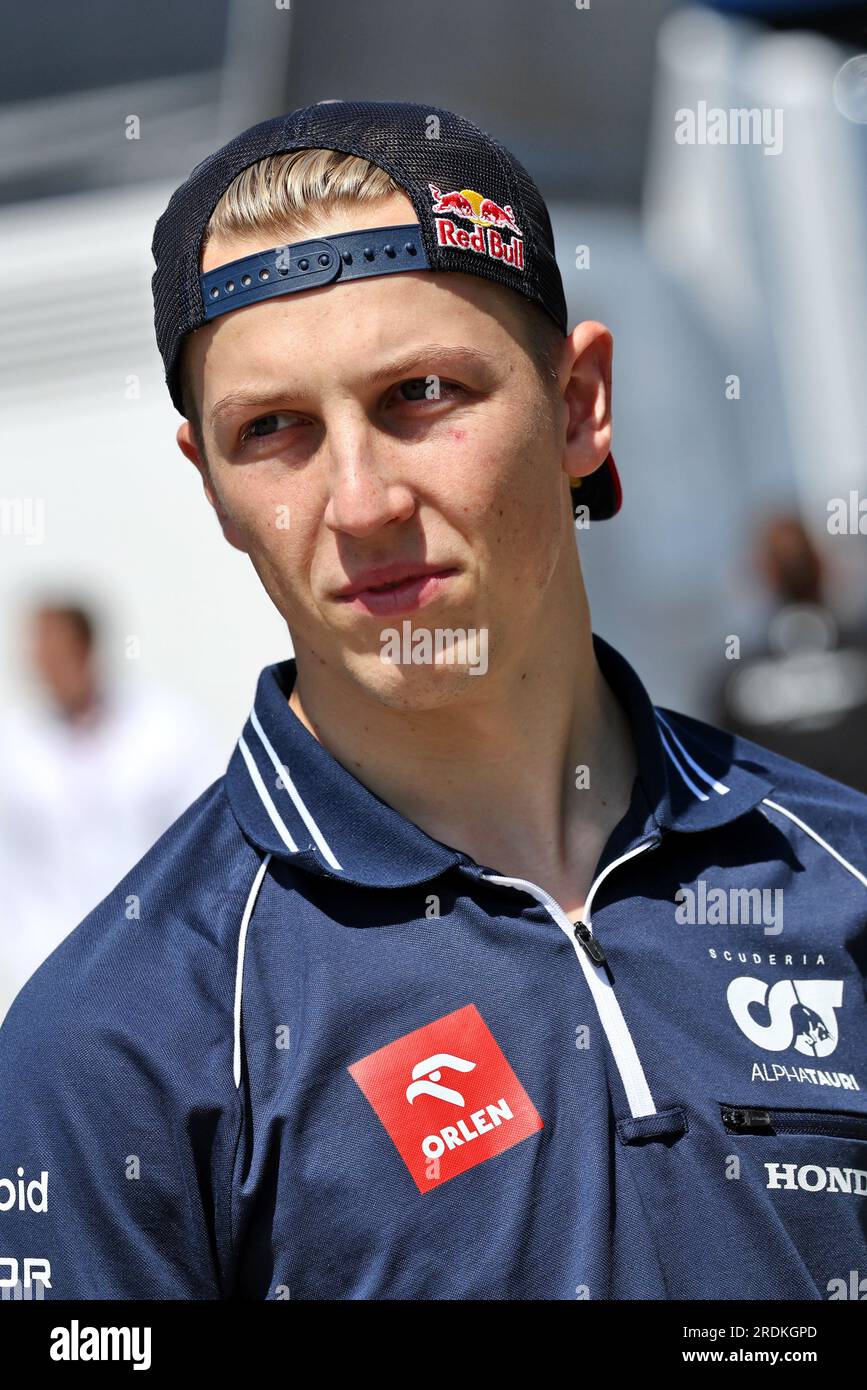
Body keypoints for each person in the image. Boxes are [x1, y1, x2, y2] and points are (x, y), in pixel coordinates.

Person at [1, 100, 865, 1302]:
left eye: (420, 392)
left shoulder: (840, 878)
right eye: (275, 429)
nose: (359, 503)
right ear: (209, 483)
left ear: (578, 407)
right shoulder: (118, 1042)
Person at [0, 599, 221, 1022]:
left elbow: (203, 841)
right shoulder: (16, 744)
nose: (47, 670)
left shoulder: (165, 728)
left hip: (160, 962)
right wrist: (29, 955)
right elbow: (13, 869)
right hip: (49, 968)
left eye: (57, 655)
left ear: (86, 650)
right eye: (39, 657)